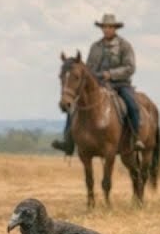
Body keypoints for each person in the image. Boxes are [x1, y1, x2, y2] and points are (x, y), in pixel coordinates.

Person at [52, 12, 145, 155]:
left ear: (115, 28)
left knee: (131, 104)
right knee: (74, 106)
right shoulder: (95, 47)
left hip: (120, 84)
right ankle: (68, 141)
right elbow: (89, 68)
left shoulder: (124, 46)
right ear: (102, 28)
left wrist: (111, 74)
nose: (107, 29)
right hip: (99, 84)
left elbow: (130, 67)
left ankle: (136, 138)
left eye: (110, 27)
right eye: (104, 27)